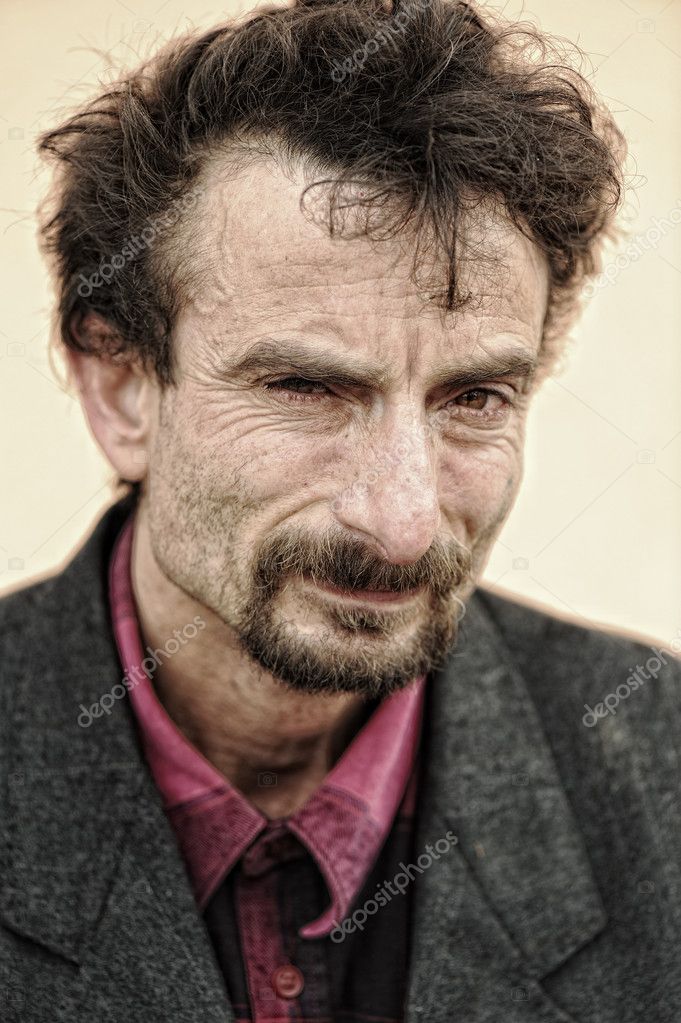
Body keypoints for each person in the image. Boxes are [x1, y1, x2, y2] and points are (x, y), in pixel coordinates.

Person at [2, 0, 680, 1020]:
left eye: (474, 399)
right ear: (122, 388)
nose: (402, 523)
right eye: (307, 390)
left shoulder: (658, 773)